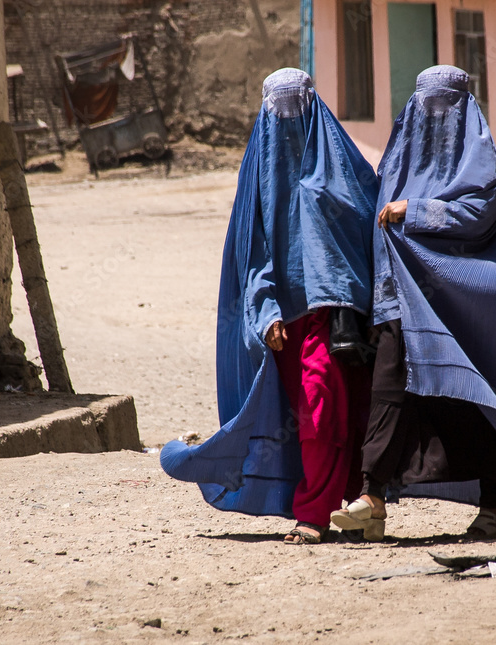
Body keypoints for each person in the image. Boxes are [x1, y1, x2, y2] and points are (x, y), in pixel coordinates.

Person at [330, 65, 496, 542]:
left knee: (472, 401)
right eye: (427, 104)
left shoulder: (481, 163)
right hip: (398, 300)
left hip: (456, 304)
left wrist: (419, 209)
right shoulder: (397, 159)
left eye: (444, 105)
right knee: (390, 392)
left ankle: (493, 507)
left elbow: (479, 212)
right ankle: (373, 498)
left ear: (464, 107)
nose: (434, 116)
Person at [159, 68, 378, 545]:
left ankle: (316, 514)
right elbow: (250, 246)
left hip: (334, 314)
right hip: (284, 319)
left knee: (323, 407)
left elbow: (367, 215)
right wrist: (264, 311)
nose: (288, 120)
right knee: (302, 416)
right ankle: (339, 505)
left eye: (295, 106)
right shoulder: (259, 170)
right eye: (278, 110)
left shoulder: (341, 161)